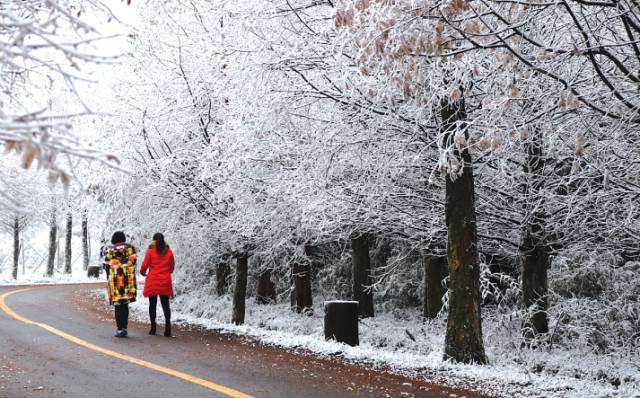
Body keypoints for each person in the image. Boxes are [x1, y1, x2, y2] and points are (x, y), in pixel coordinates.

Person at [140, 233, 175, 337]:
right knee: (165, 305)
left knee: (152, 304)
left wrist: (143, 273)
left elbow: (144, 266)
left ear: (153, 240)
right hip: (165, 281)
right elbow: (172, 268)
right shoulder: (169, 252)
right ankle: (168, 328)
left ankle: (153, 328)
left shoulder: (150, 251)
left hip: (153, 280)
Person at [104, 231, 137, 338]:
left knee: (118, 305)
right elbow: (134, 262)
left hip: (115, 281)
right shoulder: (130, 249)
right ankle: (125, 328)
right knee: (125, 304)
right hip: (128, 281)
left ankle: (119, 328)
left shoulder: (110, 251)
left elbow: (107, 265)